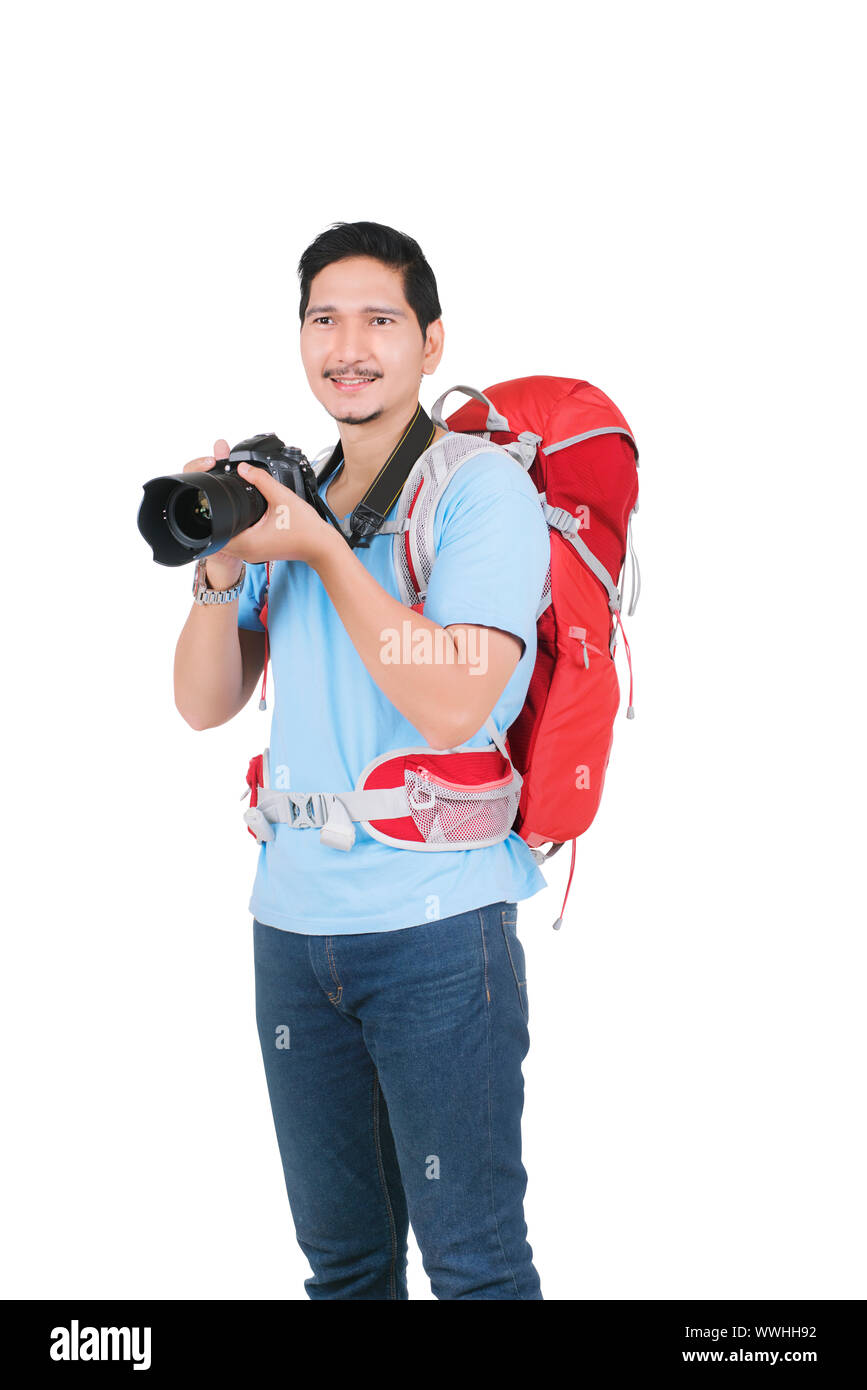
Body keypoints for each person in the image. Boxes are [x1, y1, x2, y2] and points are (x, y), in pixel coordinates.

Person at [173, 221, 551, 1300]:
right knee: (342, 1268)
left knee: (473, 1265)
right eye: (323, 319)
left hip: (438, 934)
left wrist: (325, 550)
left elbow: (451, 699)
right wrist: (218, 563)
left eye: (380, 320)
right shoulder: (287, 502)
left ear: (430, 344)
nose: (350, 344)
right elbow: (203, 703)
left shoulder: (477, 491)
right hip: (293, 933)